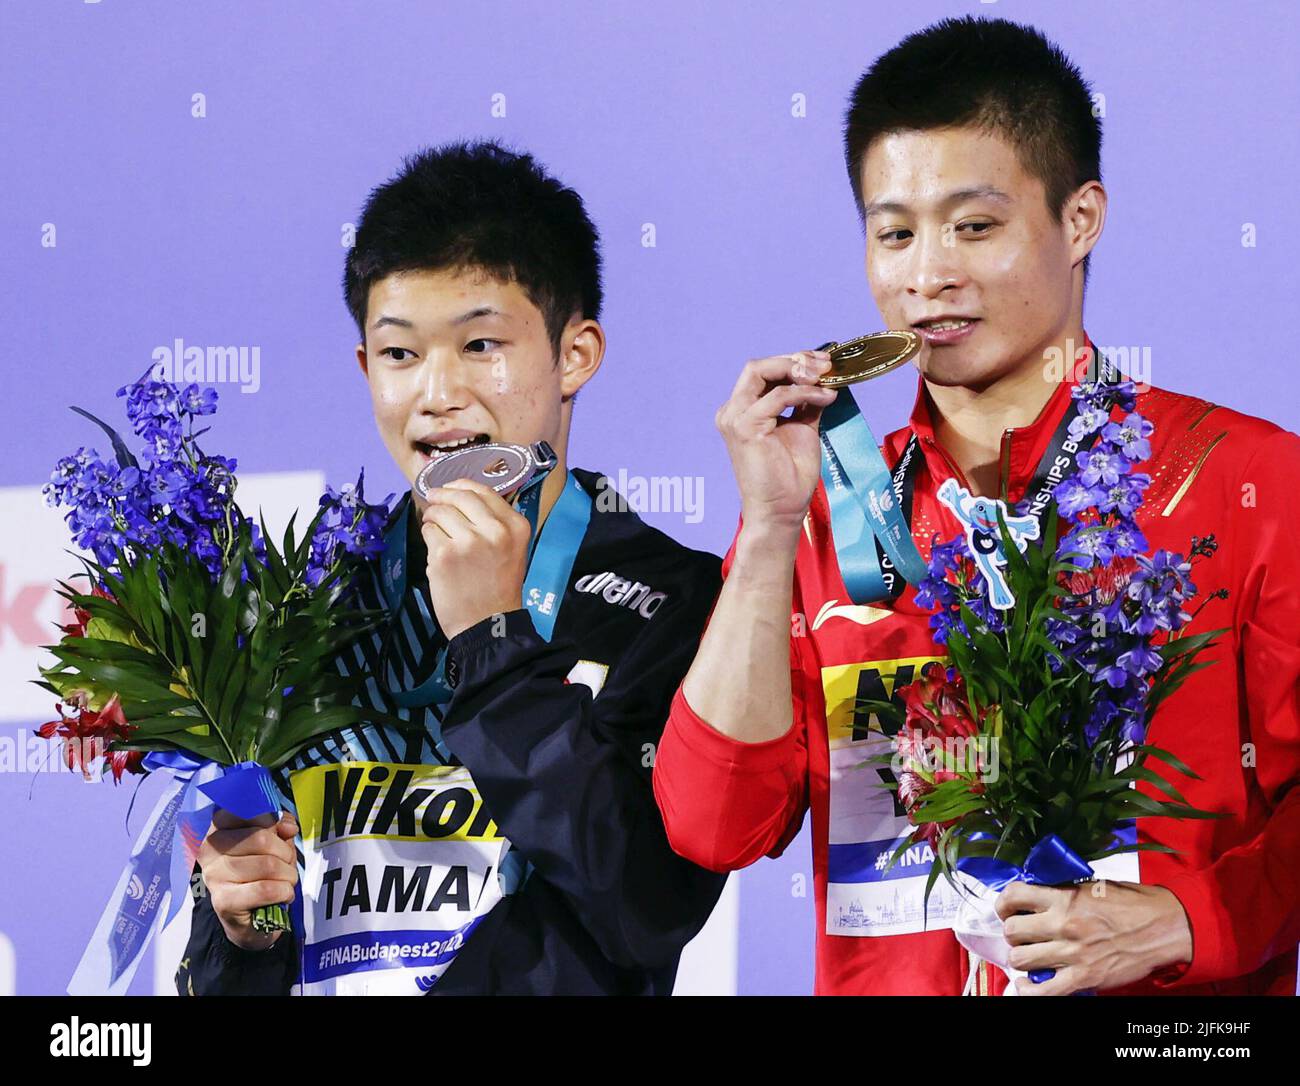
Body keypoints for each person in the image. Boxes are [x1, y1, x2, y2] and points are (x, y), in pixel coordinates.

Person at [653, 16, 1300, 995]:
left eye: (974, 225)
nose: (926, 276)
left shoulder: (1242, 480)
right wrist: (769, 534)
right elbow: (713, 824)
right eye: (894, 232)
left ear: (1078, 220)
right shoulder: (827, 506)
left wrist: (1186, 917)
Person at [176, 140, 725, 995]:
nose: (436, 393)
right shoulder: (306, 603)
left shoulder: (675, 600)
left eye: (479, 345)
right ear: (365, 368)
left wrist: (494, 640)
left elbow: (644, 908)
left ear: (574, 354)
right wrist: (244, 933)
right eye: (400, 355)